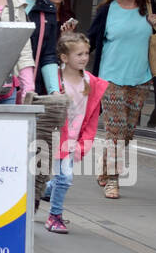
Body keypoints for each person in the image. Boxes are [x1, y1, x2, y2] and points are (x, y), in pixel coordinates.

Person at [85, 0, 156, 198]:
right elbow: (92, 41)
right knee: (116, 131)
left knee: (127, 133)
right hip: (112, 78)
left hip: (140, 79)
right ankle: (113, 181)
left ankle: (106, 169)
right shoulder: (107, 10)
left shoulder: (149, 7)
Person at [45, 32, 108, 234]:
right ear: (64, 58)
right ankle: (54, 216)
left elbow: (92, 116)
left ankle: (42, 191)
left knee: (60, 179)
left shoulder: (91, 82)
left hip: (73, 141)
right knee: (65, 178)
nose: (84, 58)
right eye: (79, 54)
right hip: (54, 137)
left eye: (86, 53)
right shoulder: (55, 79)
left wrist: (85, 142)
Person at [4, 0, 59, 95]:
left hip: (31, 91)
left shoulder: (48, 9)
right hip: (1, 90)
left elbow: (48, 54)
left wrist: (54, 92)